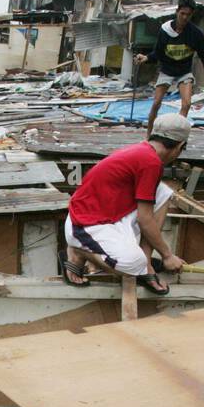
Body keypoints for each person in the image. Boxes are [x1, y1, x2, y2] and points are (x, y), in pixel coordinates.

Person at [61, 112, 190, 296]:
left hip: (106, 215)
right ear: (180, 146)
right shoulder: (151, 162)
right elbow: (145, 219)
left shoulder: (144, 152)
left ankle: (146, 263)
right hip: (83, 225)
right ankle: (78, 252)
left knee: (163, 192)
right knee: (132, 265)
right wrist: (167, 255)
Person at [135, 0, 204, 135]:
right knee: (156, 103)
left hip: (184, 72)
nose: (184, 17)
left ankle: (175, 135)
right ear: (177, 12)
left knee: (187, 104)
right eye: (182, 13)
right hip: (167, 71)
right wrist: (146, 58)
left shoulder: (195, 34)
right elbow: (158, 52)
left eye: (188, 15)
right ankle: (149, 136)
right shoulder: (165, 30)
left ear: (191, 15)